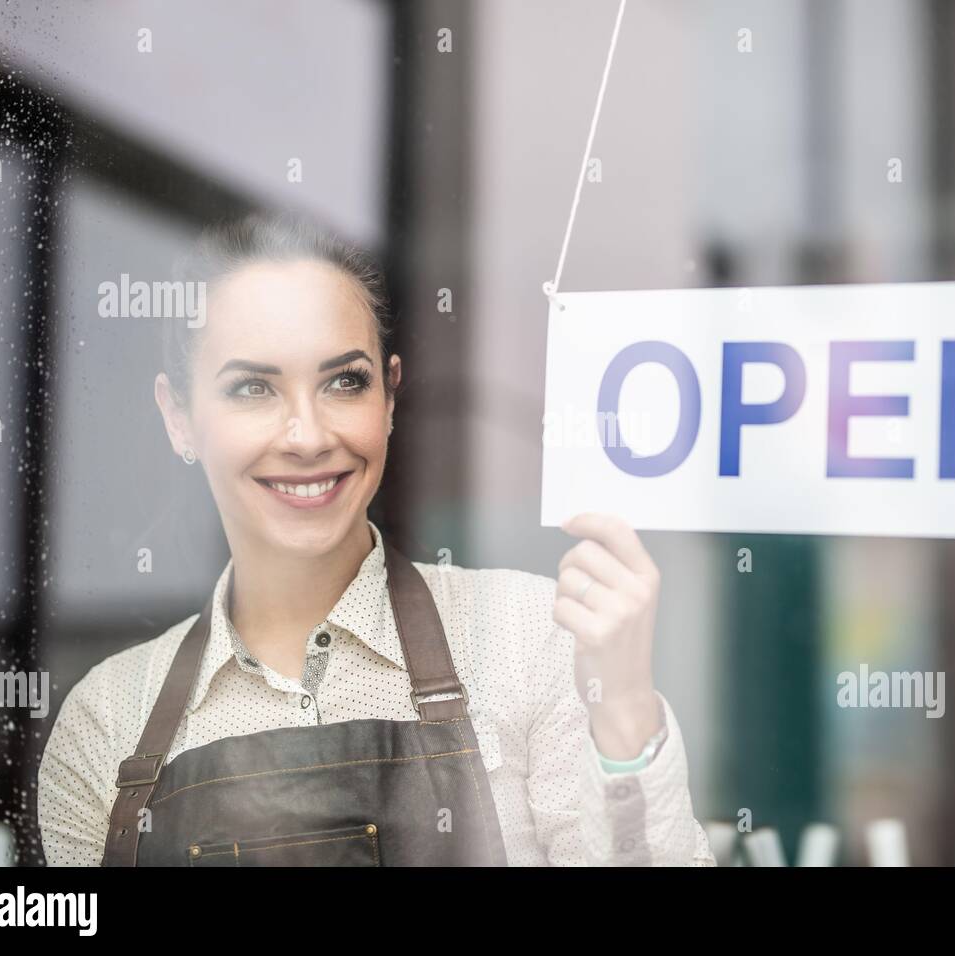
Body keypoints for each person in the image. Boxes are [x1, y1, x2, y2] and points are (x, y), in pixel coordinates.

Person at [36, 213, 716, 866]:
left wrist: (623, 710)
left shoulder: (533, 641)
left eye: (343, 382)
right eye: (252, 388)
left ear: (388, 398)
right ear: (179, 417)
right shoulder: (106, 721)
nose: (307, 435)